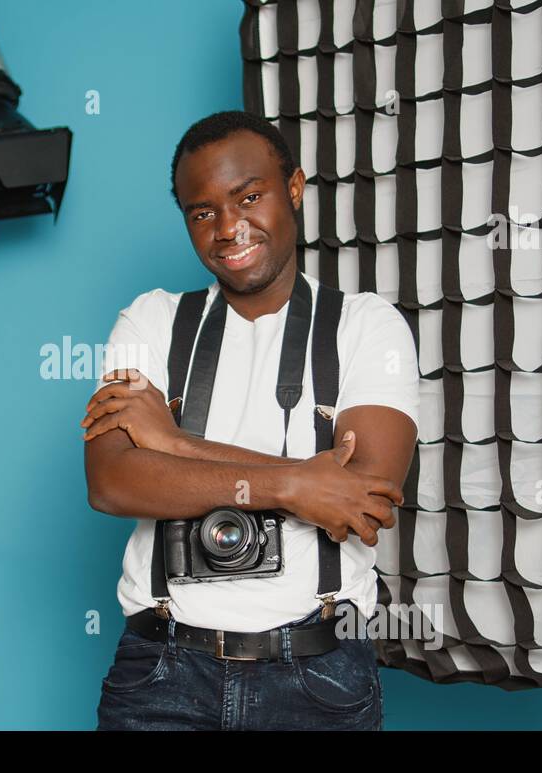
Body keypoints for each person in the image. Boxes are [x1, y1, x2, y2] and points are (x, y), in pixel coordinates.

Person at [82, 110, 419, 730]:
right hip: (162, 669)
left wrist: (173, 444)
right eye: (202, 211)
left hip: (318, 673)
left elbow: (363, 501)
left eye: (249, 197)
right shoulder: (150, 321)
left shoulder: (368, 325)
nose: (229, 228)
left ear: (293, 188)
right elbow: (112, 482)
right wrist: (294, 484)